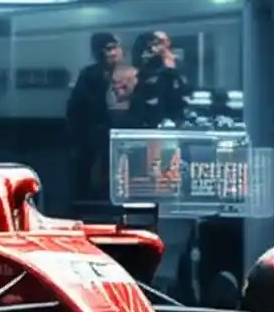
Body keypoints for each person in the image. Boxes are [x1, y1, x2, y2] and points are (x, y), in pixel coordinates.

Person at [66, 32, 125, 202]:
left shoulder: (131, 74)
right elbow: (77, 107)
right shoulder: (89, 75)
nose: (112, 53)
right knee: (89, 175)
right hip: (92, 135)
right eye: (107, 49)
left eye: (115, 48)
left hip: (120, 135)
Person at [129, 30, 189, 128]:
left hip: (174, 115)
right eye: (157, 42)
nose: (161, 45)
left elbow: (183, 90)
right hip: (150, 117)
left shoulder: (177, 65)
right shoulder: (146, 68)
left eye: (163, 41)